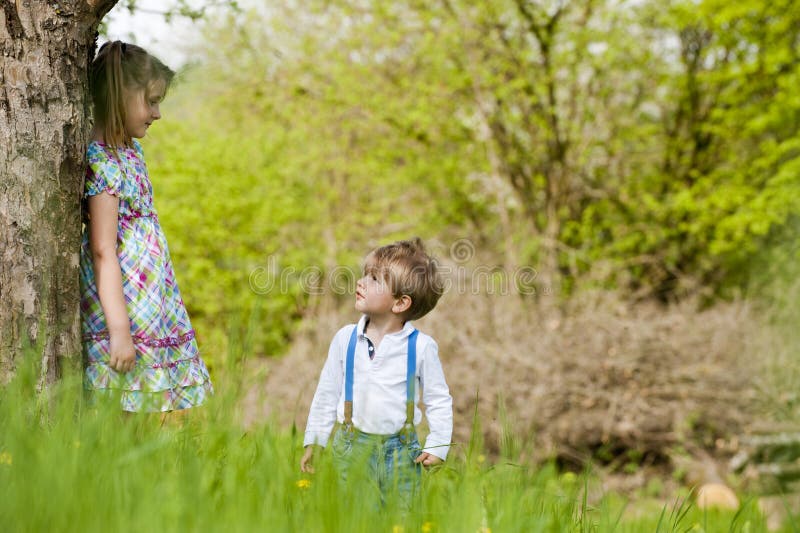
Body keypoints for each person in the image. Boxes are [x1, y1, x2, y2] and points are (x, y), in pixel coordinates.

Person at [80, 41, 213, 413]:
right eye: (151, 101)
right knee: (118, 406)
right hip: (123, 307)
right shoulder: (101, 159)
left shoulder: (130, 152)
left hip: (148, 303)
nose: (157, 114)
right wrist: (119, 331)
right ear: (121, 96)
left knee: (139, 409)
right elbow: (103, 249)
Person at [300, 238, 453, 504]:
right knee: (354, 518)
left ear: (400, 303)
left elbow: (438, 400)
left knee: (401, 518)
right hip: (350, 448)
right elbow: (327, 393)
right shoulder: (345, 339)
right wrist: (315, 440)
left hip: (402, 453)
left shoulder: (421, 347)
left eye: (374, 279)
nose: (361, 282)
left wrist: (438, 444)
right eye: (364, 275)